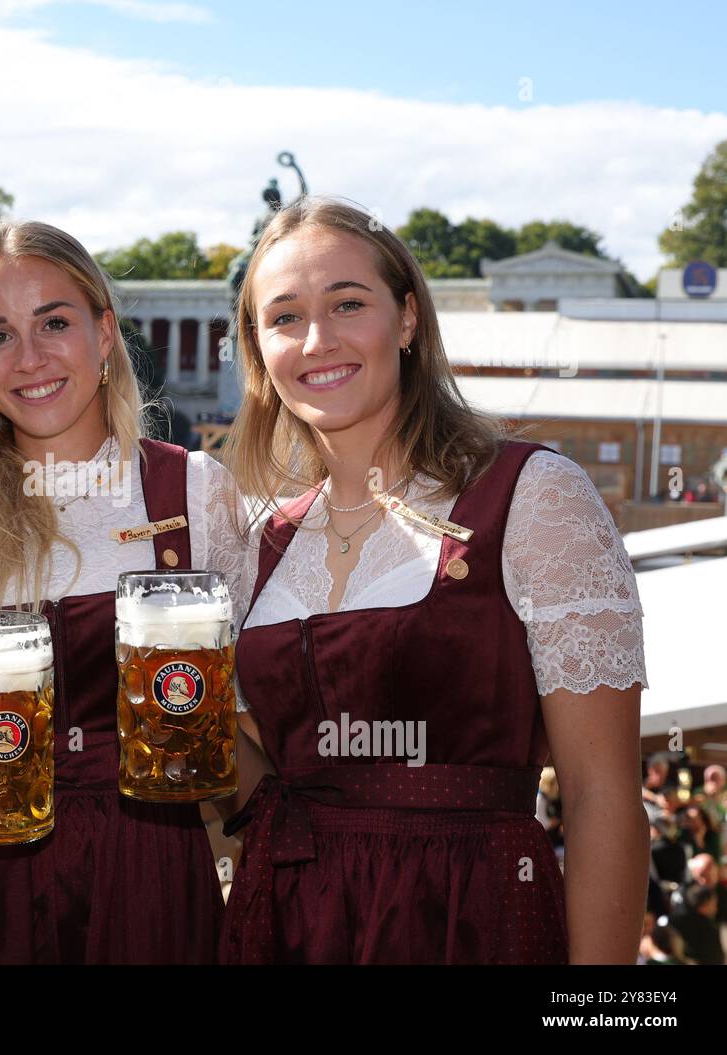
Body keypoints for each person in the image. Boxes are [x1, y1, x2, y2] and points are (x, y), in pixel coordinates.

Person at [217, 196, 649, 964]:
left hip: (465, 917)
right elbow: (265, 789)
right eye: (284, 317)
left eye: (348, 303)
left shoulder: (531, 493)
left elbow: (601, 794)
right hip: (287, 923)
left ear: (408, 319)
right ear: (257, 349)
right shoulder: (264, 543)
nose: (318, 339)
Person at [0, 220, 253, 963]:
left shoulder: (193, 495)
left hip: (148, 890)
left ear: (105, 334)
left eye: (54, 322)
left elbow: (247, 731)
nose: (30, 357)